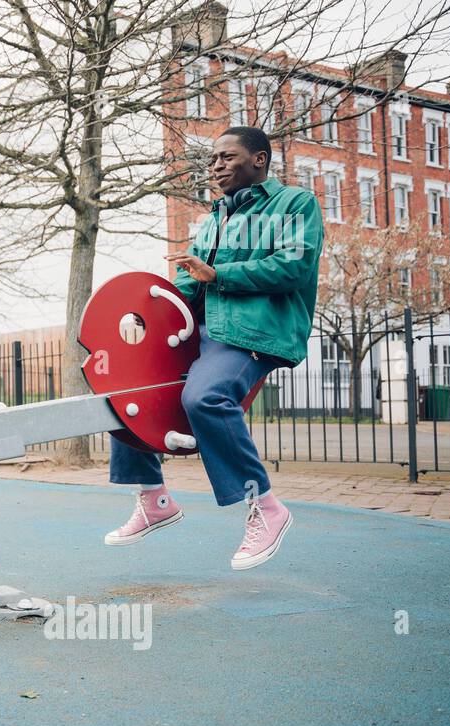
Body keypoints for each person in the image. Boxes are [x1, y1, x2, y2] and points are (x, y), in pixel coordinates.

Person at [104, 126, 323, 571]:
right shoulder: (215, 218)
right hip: (206, 330)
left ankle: (265, 505)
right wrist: (144, 315)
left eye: (227, 157)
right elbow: (189, 281)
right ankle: (153, 498)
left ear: (259, 159)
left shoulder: (295, 204)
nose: (216, 166)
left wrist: (218, 276)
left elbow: (294, 266)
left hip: (254, 332)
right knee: (128, 388)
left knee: (204, 396)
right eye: (212, 160)